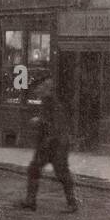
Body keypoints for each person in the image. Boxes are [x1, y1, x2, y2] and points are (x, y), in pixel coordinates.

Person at [19, 78, 79, 212]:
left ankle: (72, 203)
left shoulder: (51, 102)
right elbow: (49, 121)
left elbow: (55, 125)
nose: (37, 91)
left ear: (46, 90)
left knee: (62, 173)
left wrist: (39, 123)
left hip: (56, 144)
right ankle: (30, 201)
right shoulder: (47, 102)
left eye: (40, 88)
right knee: (35, 169)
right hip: (51, 143)